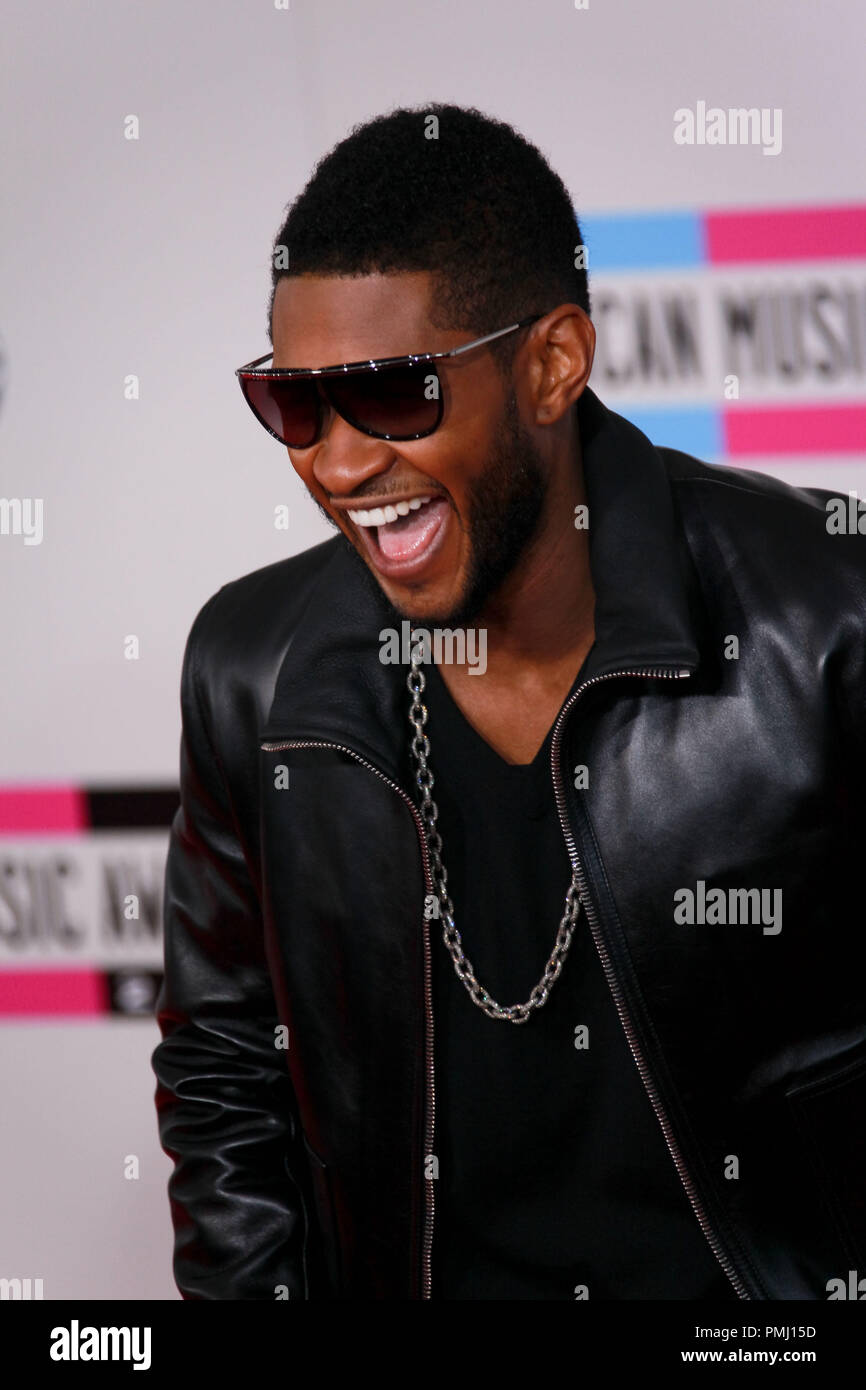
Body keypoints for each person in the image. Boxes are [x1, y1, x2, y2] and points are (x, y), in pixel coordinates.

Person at [151, 102, 866, 1301]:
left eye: (390, 395)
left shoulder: (828, 623)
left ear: (550, 364)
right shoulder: (253, 668)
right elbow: (228, 1067)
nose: (332, 462)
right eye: (293, 403)